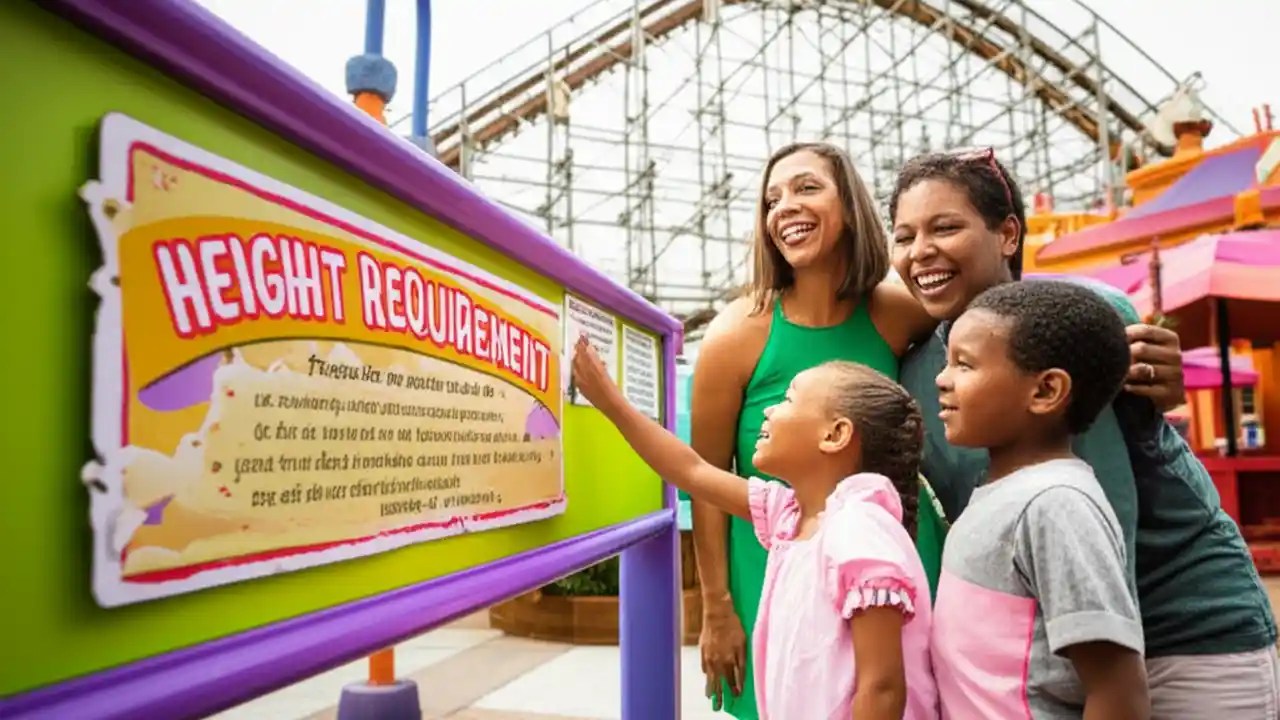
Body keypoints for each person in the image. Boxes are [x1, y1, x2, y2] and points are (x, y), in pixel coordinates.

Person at [890, 148, 1279, 717]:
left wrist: (1090, 685)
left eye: (945, 227)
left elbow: (1102, 517)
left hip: (1179, 629)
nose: (921, 250)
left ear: (1007, 234)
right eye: (902, 236)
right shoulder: (920, 369)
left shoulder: (1080, 319)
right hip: (1072, 649)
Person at [688, 141, 937, 718]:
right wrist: (717, 606)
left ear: (848, 205)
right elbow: (701, 479)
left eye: (805, 188)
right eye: (772, 198)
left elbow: (990, 319)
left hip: (884, 569)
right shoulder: (737, 333)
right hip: (773, 570)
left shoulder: (898, 312)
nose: (784, 207)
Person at [572, 338, 939, 720]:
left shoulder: (861, 530)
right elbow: (691, 471)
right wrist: (610, 402)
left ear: (835, 435)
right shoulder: (793, 515)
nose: (768, 411)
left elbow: (882, 688)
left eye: (788, 400)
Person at [932, 279, 1149, 718]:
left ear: (1046, 391)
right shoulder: (1004, 493)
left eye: (965, 365)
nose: (942, 379)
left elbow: (1119, 690)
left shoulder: (1055, 506)